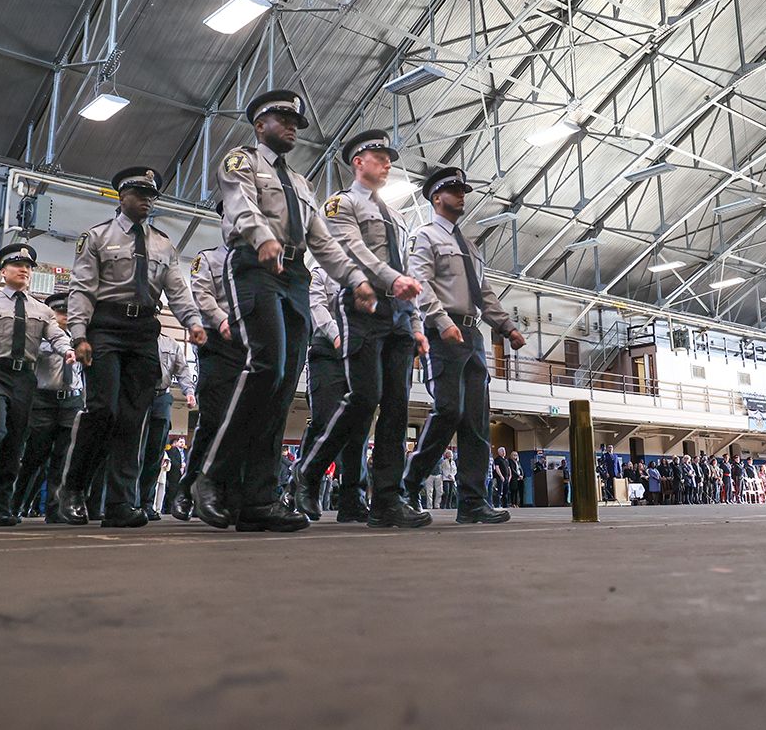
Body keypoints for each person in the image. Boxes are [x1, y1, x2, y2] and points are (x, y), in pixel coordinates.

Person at [194, 89, 375, 533]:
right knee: (266, 367)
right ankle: (210, 475)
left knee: (281, 388)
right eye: (284, 119)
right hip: (254, 265)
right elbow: (240, 205)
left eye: (296, 122)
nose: (293, 127)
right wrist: (263, 238)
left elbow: (323, 242)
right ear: (260, 125)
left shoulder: (301, 183)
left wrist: (356, 279)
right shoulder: (241, 161)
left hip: (295, 277)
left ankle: (259, 500)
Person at [293, 129, 428, 528]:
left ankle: (387, 500)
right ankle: (309, 470)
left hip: (397, 314)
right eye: (379, 157)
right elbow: (352, 250)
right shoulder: (342, 204)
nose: (387, 163)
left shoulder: (398, 217)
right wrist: (392, 281)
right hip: (361, 306)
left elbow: (406, 269)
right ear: (358, 161)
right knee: (364, 398)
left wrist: (416, 323)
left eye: (389, 159)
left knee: (397, 408)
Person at [57, 167, 205, 528]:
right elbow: (82, 289)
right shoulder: (97, 237)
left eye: (151, 196)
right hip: (105, 328)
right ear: (121, 197)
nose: (146, 201)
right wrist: (79, 335)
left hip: (143, 332)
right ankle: (73, 489)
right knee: (102, 411)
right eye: (139, 194)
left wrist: (193, 322)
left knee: (133, 420)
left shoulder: (163, 244)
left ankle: (120, 503)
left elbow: (177, 289)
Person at [402, 166, 526, 524]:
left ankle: (472, 501)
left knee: (476, 420)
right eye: (454, 190)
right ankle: (408, 486)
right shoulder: (425, 237)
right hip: (444, 333)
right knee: (448, 410)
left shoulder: (469, 246)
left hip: (473, 336)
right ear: (436, 197)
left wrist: (507, 327)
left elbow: (484, 293)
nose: (461, 196)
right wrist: (442, 322)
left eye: (463, 191)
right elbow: (420, 284)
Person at [0, 244, 74, 526]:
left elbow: (56, 336)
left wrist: (68, 351)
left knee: (14, 441)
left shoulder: (42, 310)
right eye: (17, 265)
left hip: (25, 379)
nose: (24, 270)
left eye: (28, 267)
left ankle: (2, 507)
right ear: (3, 272)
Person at [170, 239, 247, 521]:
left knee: (242, 423)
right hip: (217, 341)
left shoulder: (257, 261)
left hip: (249, 345)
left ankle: (227, 494)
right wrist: (223, 320)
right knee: (214, 420)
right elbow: (202, 293)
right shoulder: (209, 258)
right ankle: (187, 488)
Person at [296, 262, 367, 522]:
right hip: (327, 351)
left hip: (359, 354)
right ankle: (305, 486)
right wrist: (338, 337)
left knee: (358, 428)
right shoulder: (322, 271)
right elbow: (317, 307)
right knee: (324, 422)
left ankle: (353, 499)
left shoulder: (366, 272)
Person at [13, 292, 84, 523]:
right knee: (35, 457)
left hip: (71, 402)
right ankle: (15, 504)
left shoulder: (80, 341)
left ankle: (55, 509)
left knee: (62, 459)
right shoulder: (39, 341)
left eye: (68, 312)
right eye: (61, 312)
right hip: (44, 401)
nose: (65, 316)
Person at [137, 334, 195, 520]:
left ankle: (146, 503)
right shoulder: (135, 337)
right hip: (137, 395)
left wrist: (189, 391)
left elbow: (182, 369)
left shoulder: (171, 344)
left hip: (161, 397)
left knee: (155, 454)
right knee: (134, 452)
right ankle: (128, 502)